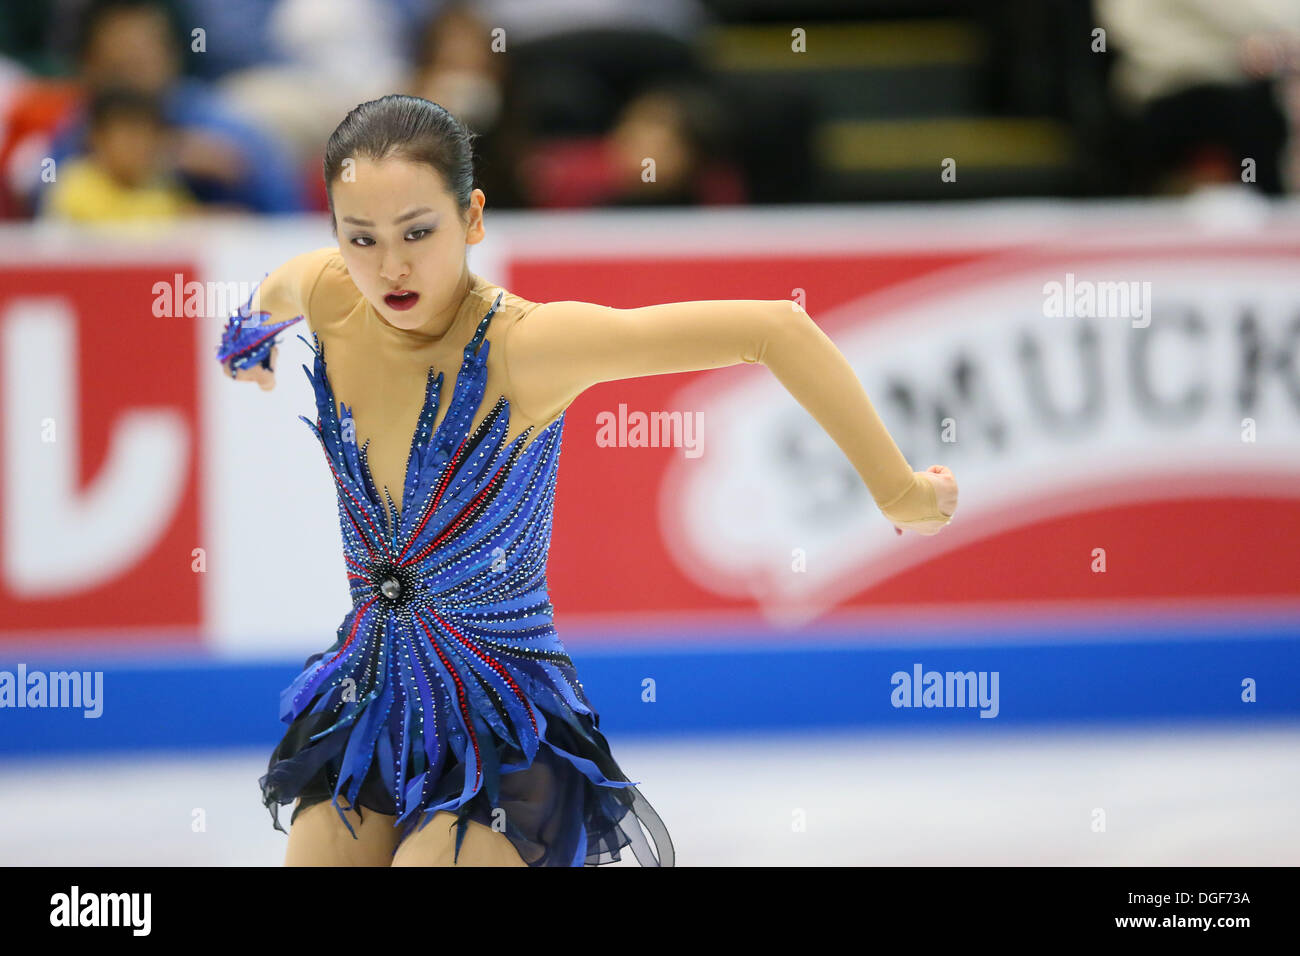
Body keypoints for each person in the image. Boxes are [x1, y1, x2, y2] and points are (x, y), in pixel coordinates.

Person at [218, 94, 957, 867]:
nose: (390, 266)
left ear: (472, 217)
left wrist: (899, 489)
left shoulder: (530, 347)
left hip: (504, 727)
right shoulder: (329, 292)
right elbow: (276, 293)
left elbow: (775, 328)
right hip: (370, 706)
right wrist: (246, 341)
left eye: (418, 231)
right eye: (359, 237)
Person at [39, 85, 197, 222]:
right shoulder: (72, 187)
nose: (138, 146)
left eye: (146, 135)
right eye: (128, 136)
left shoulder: (166, 188)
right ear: (97, 138)